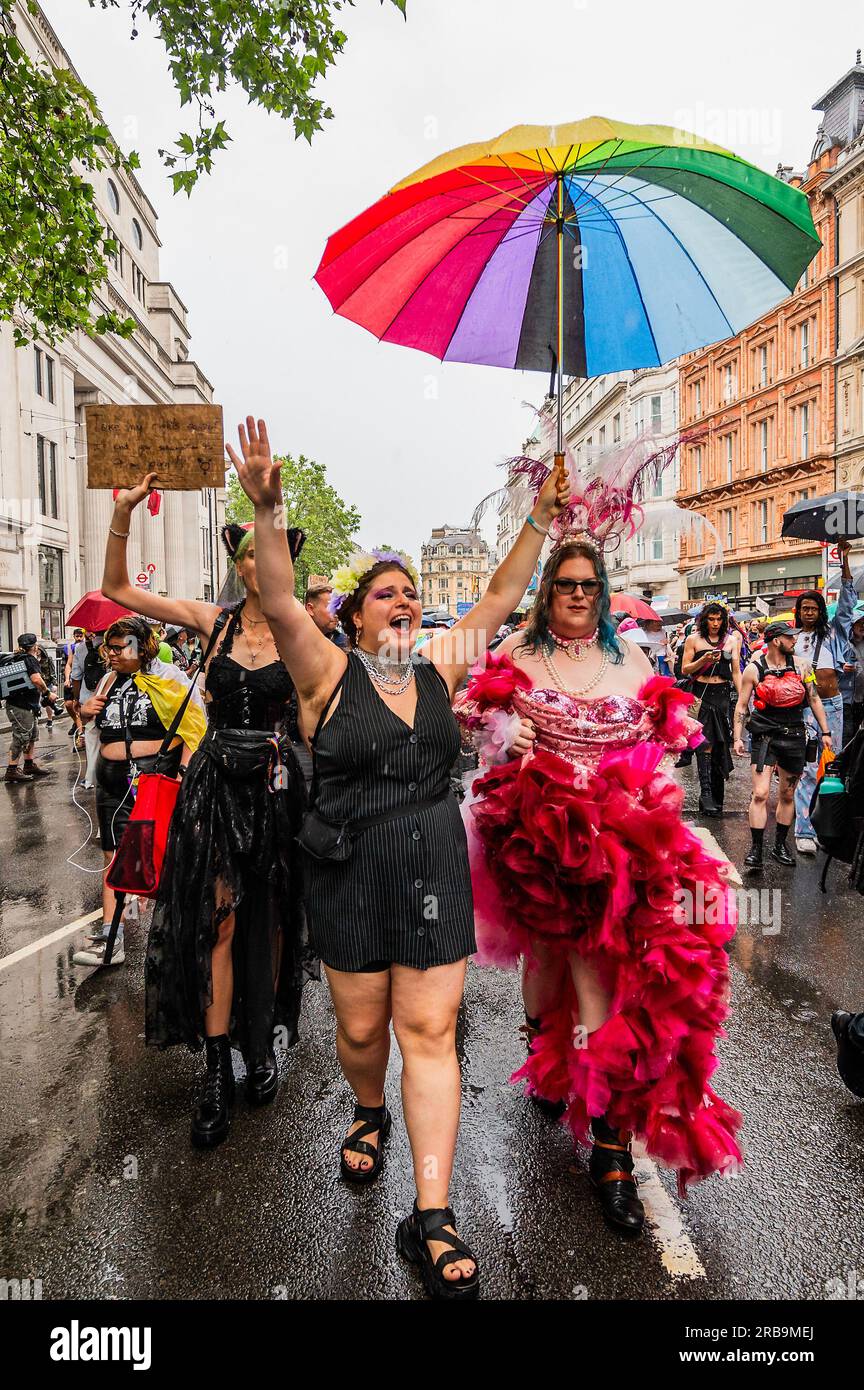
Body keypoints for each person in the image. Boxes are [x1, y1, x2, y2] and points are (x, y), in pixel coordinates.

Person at [231, 414, 569, 1300]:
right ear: (351, 613)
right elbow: (274, 599)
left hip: (431, 870)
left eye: (411, 591)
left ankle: (432, 1214)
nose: (405, 600)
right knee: (359, 1030)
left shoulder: (437, 672)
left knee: (429, 1034)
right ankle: (367, 1108)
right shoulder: (323, 673)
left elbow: (497, 595)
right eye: (386, 592)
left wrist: (541, 515)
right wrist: (268, 512)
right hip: (346, 872)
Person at [454, 540, 741, 1233]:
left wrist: (679, 826)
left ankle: (610, 1150)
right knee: (545, 964)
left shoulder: (632, 657)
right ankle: (546, 1060)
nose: (579, 595)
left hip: (623, 851)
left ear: (602, 590)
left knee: (609, 988)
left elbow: (659, 748)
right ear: (548, 590)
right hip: (542, 843)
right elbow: (468, 714)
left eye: (590, 585)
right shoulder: (521, 656)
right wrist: (503, 728)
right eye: (567, 585)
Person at [101, 479, 314, 1149]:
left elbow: (322, 714)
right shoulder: (211, 620)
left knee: (273, 925)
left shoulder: (302, 632)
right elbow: (120, 592)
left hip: (276, 793)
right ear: (238, 564)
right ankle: (218, 1068)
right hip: (216, 788)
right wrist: (121, 514)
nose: (260, 563)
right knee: (219, 925)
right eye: (250, 552)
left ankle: (264, 1040)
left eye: (271, 549)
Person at [73, 618, 205, 967]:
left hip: (153, 779)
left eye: (119, 647)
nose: (112, 654)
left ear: (142, 646)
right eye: (109, 648)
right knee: (113, 856)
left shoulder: (170, 679)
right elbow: (88, 723)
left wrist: (181, 776)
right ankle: (112, 936)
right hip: (111, 782)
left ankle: (181, 935)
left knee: (162, 856)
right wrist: (84, 712)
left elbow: (193, 730)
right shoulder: (108, 679)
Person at [733, 620, 833, 868]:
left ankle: (779, 845)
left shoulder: (802, 666)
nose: (795, 640)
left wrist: (826, 731)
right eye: (790, 637)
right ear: (777, 640)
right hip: (764, 736)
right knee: (760, 793)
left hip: (794, 736)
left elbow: (814, 699)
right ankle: (756, 849)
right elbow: (742, 706)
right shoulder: (753, 670)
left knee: (787, 795)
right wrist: (737, 737)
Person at [792, 541, 856, 854]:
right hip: (805, 710)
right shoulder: (789, 640)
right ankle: (803, 831)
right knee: (807, 770)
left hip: (833, 707)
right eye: (804, 608)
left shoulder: (833, 634)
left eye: (814, 608)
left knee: (832, 767)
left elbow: (847, 604)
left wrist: (844, 560)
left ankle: (824, 827)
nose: (809, 612)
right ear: (798, 612)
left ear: (819, 612)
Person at [678, 601, 741, 816]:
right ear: (704, 620)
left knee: (720, 743)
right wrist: (703, 659)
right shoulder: (693, 639)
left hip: (722, 695)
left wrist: (742, 700)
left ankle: (715, 796)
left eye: (719, 619)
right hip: (699, 695)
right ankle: (705, 793)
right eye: (711, 619)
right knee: (705, 742)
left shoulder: (732, 640)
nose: (715, 623)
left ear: (724, 621)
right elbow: (685, 669)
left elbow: (736, 672)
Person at [3, 633, 51, 783]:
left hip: (27, 705)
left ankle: (29, 765)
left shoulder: (17, 658)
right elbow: (36, 679)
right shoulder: (29, 659)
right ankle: (11, 770)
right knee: (21, 737)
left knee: (31, 735)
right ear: (35, 646)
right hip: (20, 706)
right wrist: (48, 692)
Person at [71, 631, 108, 788]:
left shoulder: (80, 648)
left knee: (92, 739)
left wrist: (76, 698)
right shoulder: (115, 644)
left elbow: (76, 676)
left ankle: (90, 778)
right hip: (109, 697)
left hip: (88, 698)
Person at [841, 601, 864, 746]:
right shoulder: (842, 645)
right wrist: (841, 667)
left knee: (859, 734)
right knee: (847, 734)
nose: (863, 626)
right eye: (859, 623)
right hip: (846, 699)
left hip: (861, 699)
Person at [304, 579, 349, 648]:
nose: (336, 613)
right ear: (310, 609)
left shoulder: (343, 642)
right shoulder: (294, 639)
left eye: (337, 607)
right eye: (331, 607)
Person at [63, 629, 84, 739]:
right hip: (73, 679)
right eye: (77, 636)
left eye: (81, 636)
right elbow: (68, 664)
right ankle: (76, 722)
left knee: (79, 705)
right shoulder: (71, 648)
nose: (79, 638)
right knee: (68, 704)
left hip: (82, 680)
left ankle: (81, 733)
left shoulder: (87, 647)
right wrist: (67, 678)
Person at [35, 642, 58, 726]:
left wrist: (55, 684)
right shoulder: (33, 660)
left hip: (47, 683)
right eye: (36, 649)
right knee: (36, 703)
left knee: (49, 702)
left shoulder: (48, 659)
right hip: (37, 685)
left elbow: (52, 672)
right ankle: (35, 721)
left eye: (38, 650)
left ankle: (50, 719)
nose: (37, 651)